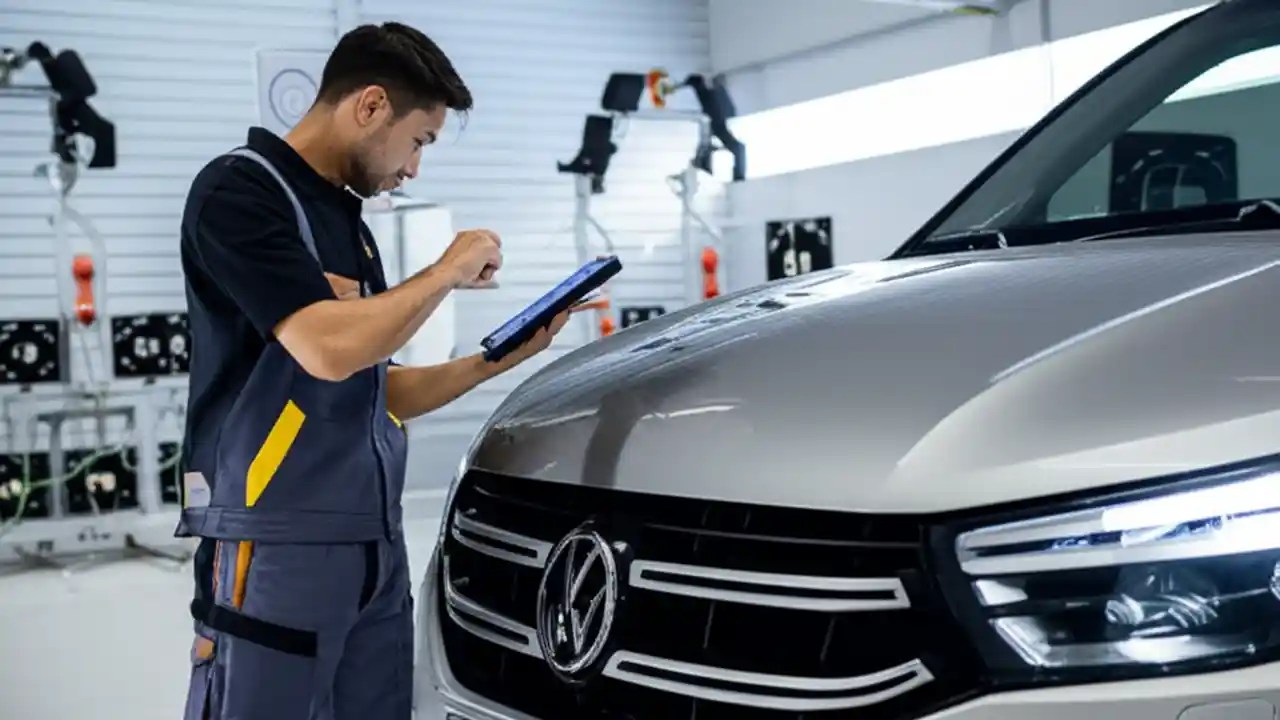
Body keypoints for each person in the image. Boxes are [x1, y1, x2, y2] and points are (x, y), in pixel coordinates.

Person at [174, 21, 568, 720]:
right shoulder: (240, 193)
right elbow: (327, 348)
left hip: (373, 543)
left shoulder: (347, 221)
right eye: (419, 141)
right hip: (275, 544)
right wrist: (443, 271)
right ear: (371, 106)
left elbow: (379, 389)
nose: (413, 168)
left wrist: (496, 357)